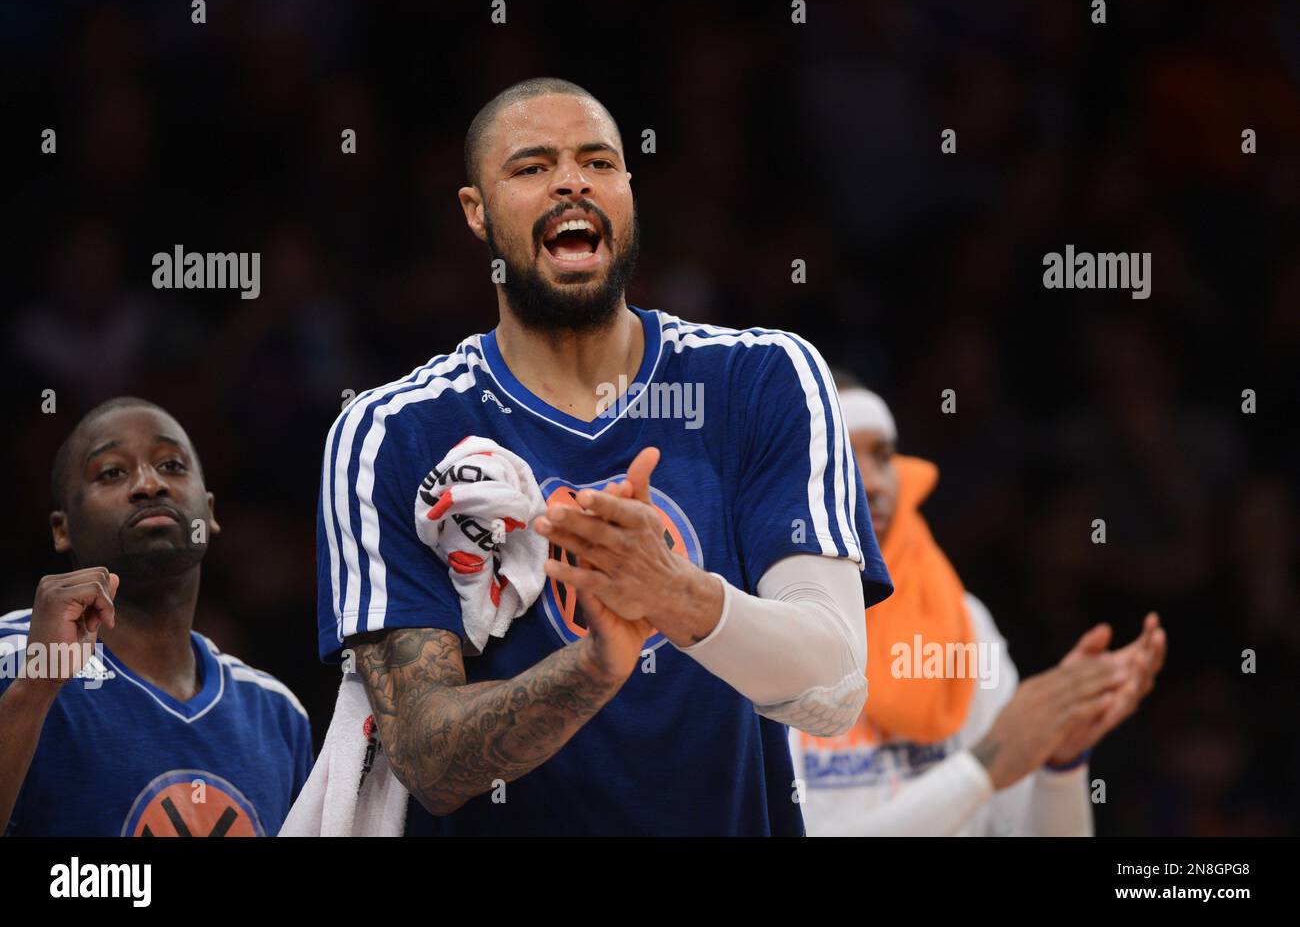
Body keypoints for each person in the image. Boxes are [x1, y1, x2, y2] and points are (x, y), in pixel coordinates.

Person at [317, 77, 923, 835]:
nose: (572, 180)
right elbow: (429, 762)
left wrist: (678, 597)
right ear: (475, 213)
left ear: (629, 193)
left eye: (598, 162)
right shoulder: (393, 429)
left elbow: (831, 687)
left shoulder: (763, 378)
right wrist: (598, 662)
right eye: (532, 167)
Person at [788, 379, 1167, 835]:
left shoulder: (960, 618)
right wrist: (982, 768)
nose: (871, 483)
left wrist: (1059, 764)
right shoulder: (757, 631)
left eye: (882, 455)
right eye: (845, 457)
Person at [0, 397, 313, 836]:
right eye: (112, 472)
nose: (149, 485)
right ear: (61, 528)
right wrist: (37, 685)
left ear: (210, 511)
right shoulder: (11, 659)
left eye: (171, 465)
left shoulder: (278, 714)